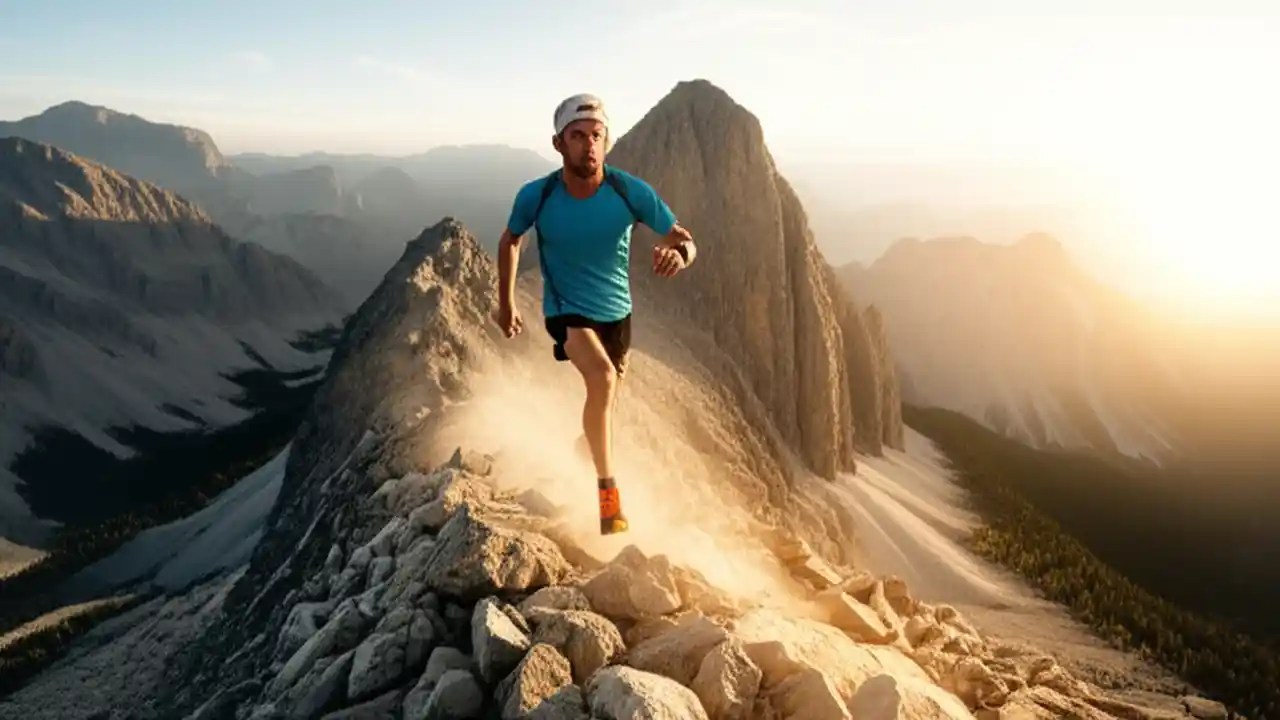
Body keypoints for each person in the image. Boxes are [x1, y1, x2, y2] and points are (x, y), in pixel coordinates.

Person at [493, 93, 697, 535]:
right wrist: (506, 303)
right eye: (578, 136)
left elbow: (685, 239)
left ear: (607, 140)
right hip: (565, 310)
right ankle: (609, 500)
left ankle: (581, 453)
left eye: (596, 135)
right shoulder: (538, 195)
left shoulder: (630, 191)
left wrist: (681, 255)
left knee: (602, 411)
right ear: (558, 143)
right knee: (602, 380)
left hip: (617, 317)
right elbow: (511, 240)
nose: (588, 144)